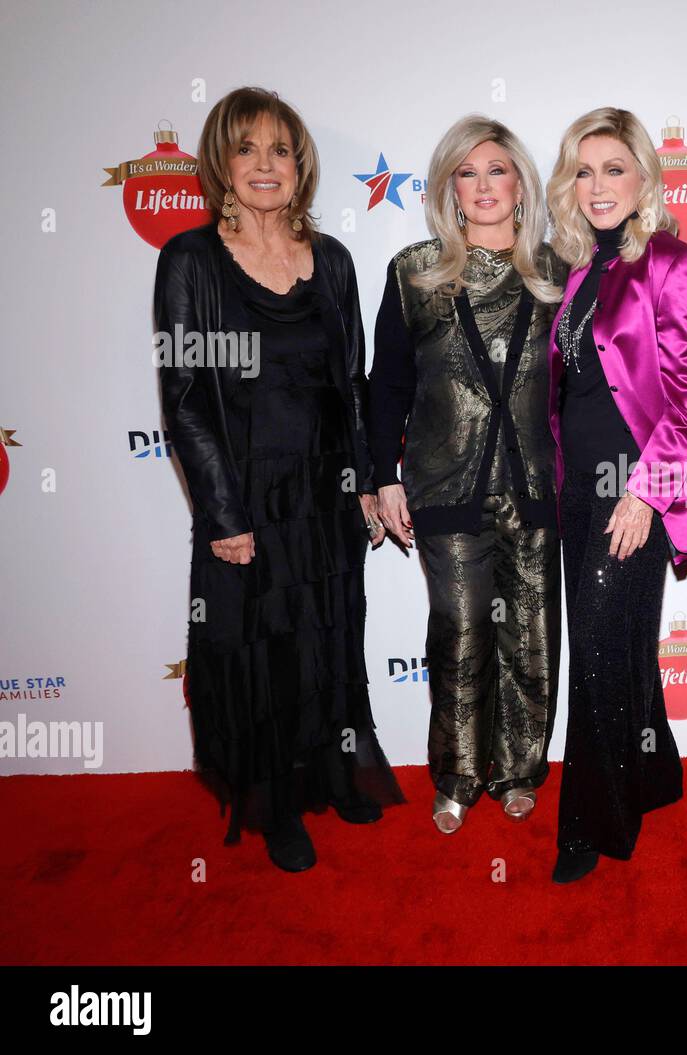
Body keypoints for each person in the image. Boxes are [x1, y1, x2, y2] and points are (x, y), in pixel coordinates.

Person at [155, 87, 404, 873]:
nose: (266, 164)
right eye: (248, 148)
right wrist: (222, 512)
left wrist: (367, 478)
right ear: (221, 163)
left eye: (281, 150)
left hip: (326, 494)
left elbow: (356, 382)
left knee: (330, 634)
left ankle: (333, 771)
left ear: (301, 166)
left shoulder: (331, 261)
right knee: (259, 650)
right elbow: (185, 397)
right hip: (246, 497)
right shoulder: (191, 261)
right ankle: (276, 800)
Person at [367, 116, 567, 833]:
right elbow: (385, 383)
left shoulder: (555, 272)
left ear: (521, 185)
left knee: (533, 633)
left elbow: (583, 386)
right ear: (451, 188)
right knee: (460, 630)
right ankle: (457, 773)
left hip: (538, 484)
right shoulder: (415, 272)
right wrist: (379, 475)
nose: (483, 186)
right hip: (445, 481)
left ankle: (519, 768)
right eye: (467, 173)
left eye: (498, 170)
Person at [544, 107, 687, 883]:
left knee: (601, 661)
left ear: (646, 178)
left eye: (615, 167)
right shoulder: (580, 272)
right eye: (585, 169)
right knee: (610, 645)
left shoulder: (673, 262)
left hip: (632, 495)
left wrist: (648, 493)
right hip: (577, 492)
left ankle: (589, 825)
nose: (599, 183)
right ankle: (654, 775)